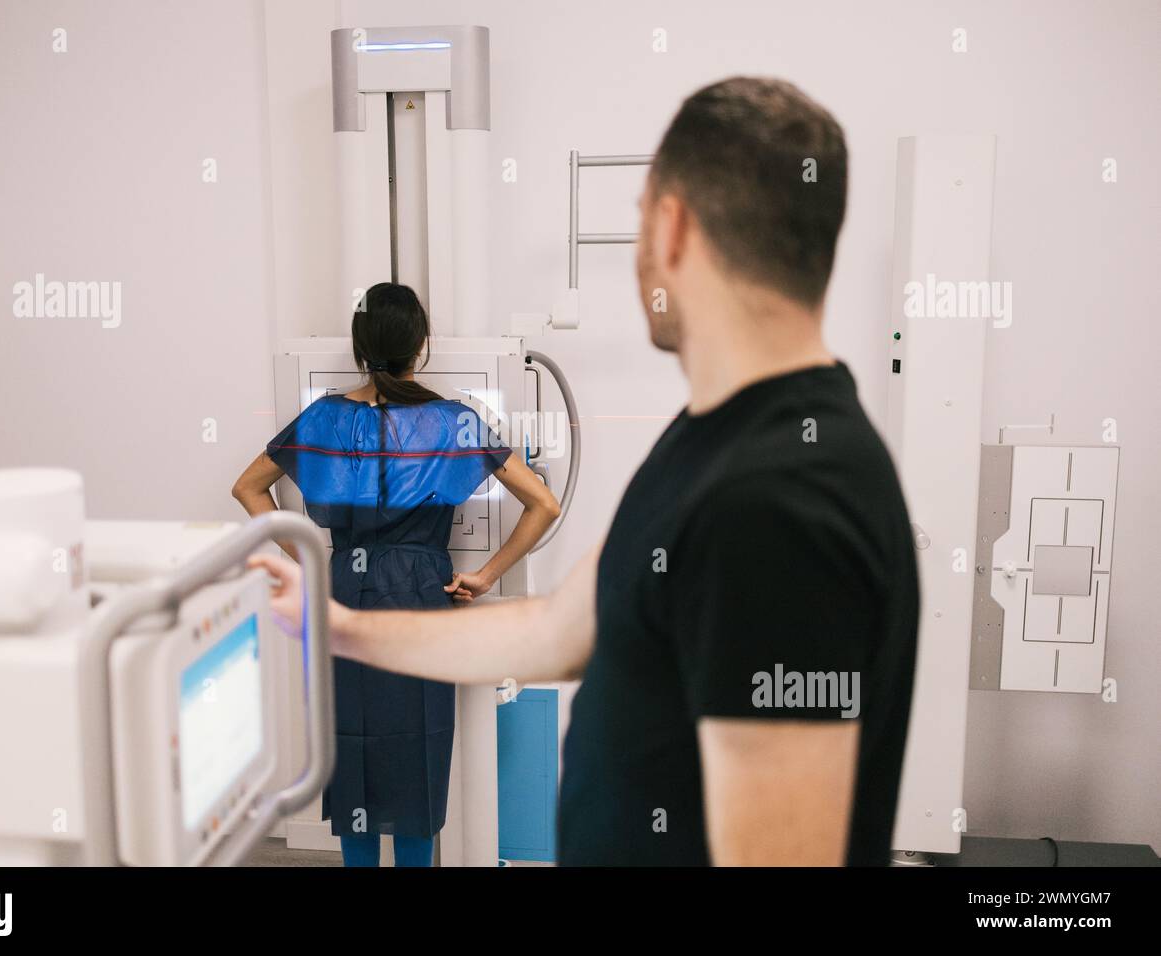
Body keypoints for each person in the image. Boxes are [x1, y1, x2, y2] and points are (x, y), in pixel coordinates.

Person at [252, 77, 920, 866]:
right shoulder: (706, 445)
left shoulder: (780, 502)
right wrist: (341, 626)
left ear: (671, 227)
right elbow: (561, 631)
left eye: (639, 223)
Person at [232, 282, 560, 867]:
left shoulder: (324, 418)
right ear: (421, 346)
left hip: (345, 593)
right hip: (421, 595)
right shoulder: (454, 422)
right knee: (420, 752)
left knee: (350, 749)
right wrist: (486, 575)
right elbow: (545, 505)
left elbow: (248, 489)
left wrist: (306, 560)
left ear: (360, 347)